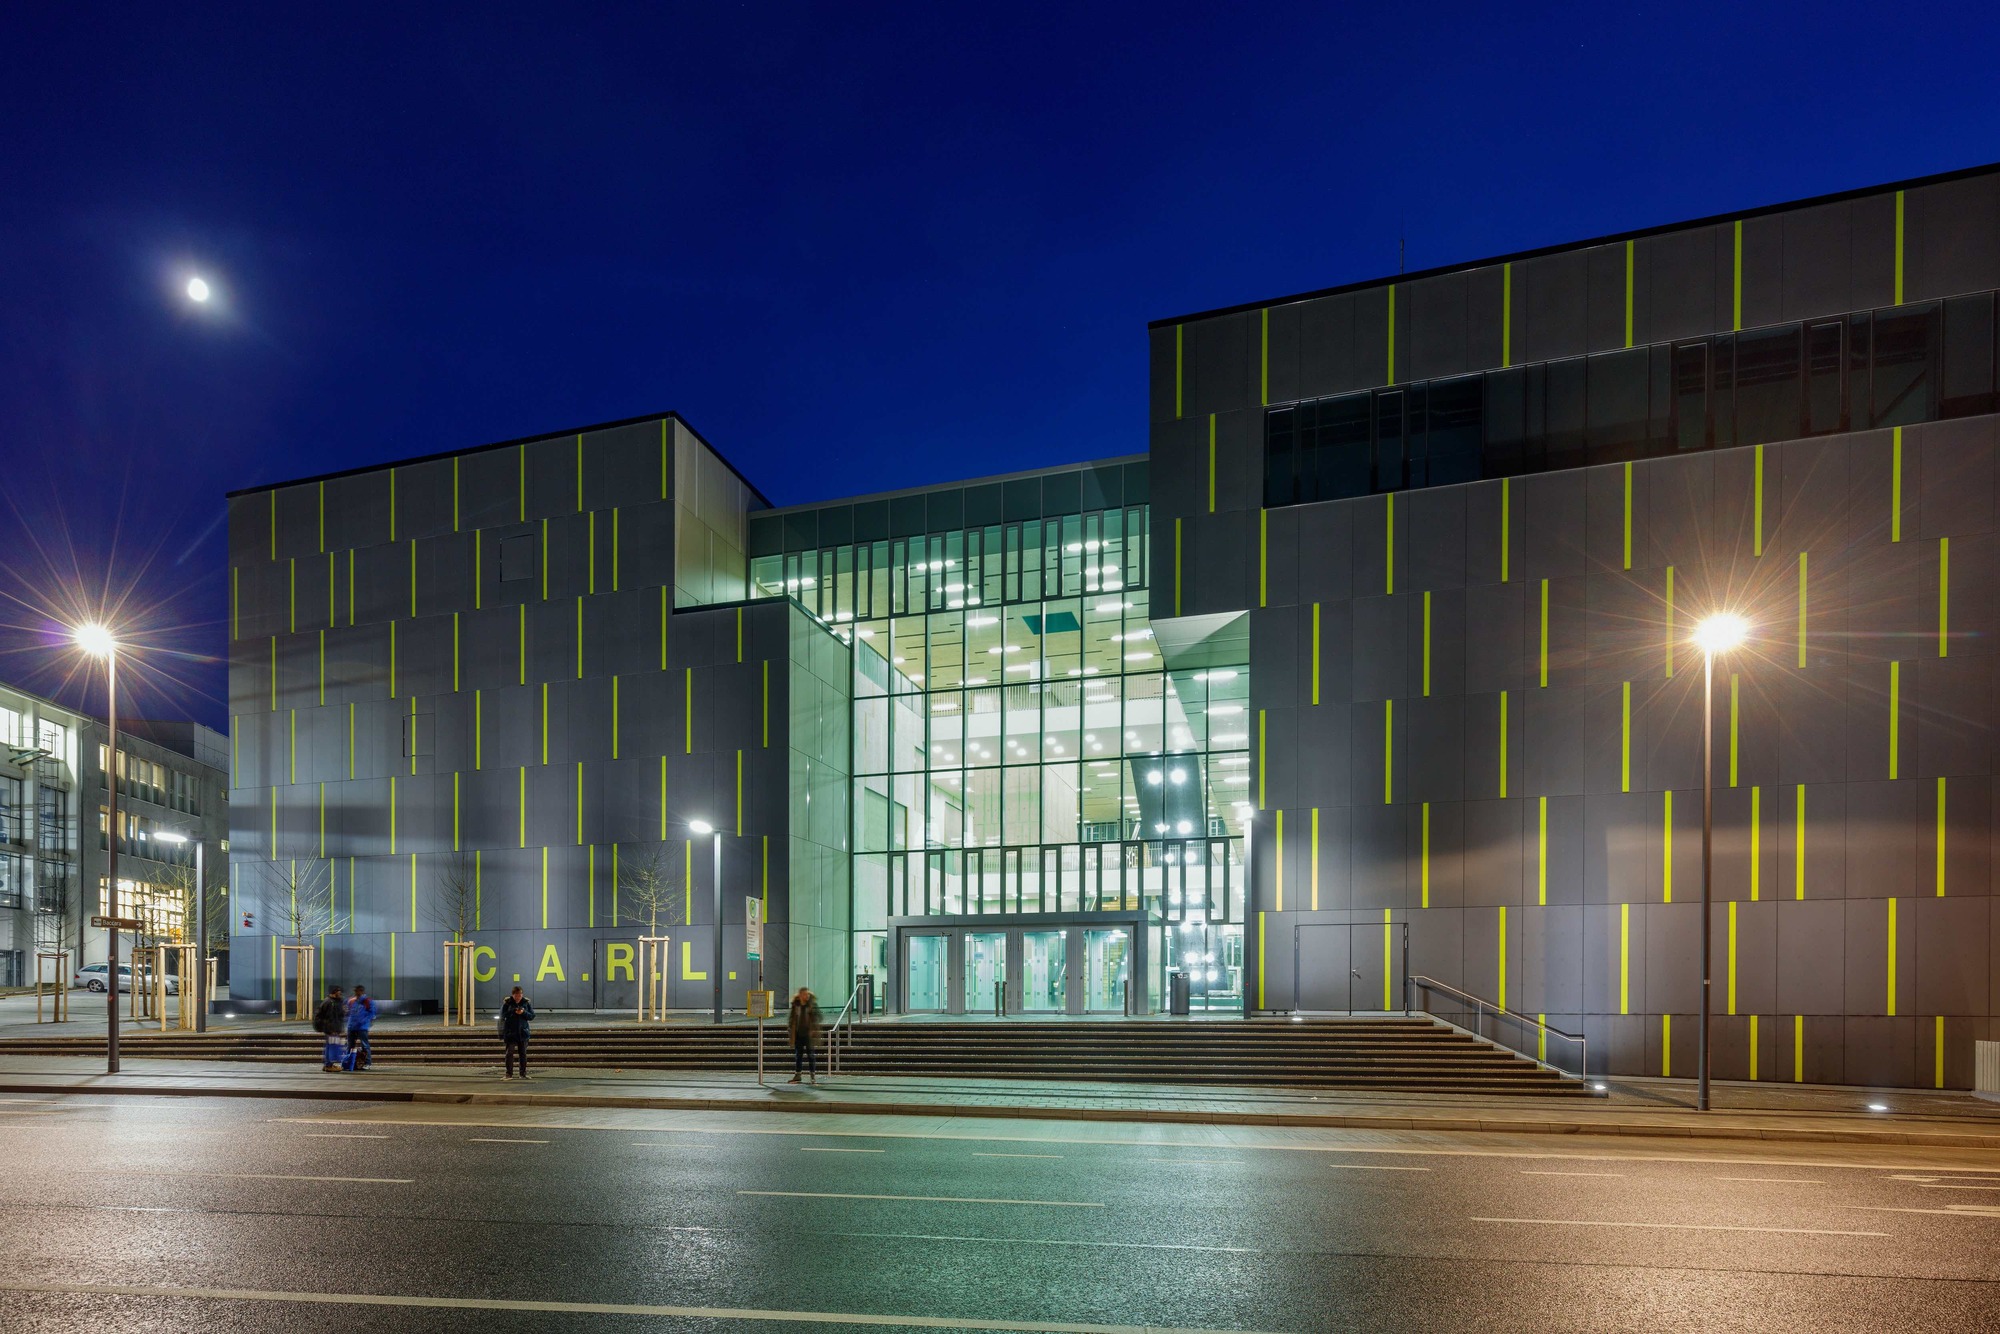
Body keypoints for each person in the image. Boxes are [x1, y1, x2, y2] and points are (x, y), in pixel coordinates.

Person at [786, 987, 822, 1084]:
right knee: (798, 1055)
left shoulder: (812, 1004)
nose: (807, 996)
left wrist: (814, 1027)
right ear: (800, 995)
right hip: (798, 1034)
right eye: (805, 994)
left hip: (808, 1035)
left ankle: (812, 1076)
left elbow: (819, 1017)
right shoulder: (795, 1005)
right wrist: (790, 1028)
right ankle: (798, 1075)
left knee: (811, 1055)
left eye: (808, 994)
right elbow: (791, 1018)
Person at [499, 986, 534, 1079]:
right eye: (516, 995)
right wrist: (513, 1011)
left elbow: (532, 1016)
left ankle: (523, 1074)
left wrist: (523, 1012)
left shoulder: (526, 1003)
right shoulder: (507, 1003)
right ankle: (508, 1074)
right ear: (513, 995)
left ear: (522, 995)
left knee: (523, 1054)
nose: (518, 997)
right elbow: (503, 1015)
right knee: (509, 1054)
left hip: (523, 1032)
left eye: (520, 995)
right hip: (511, 1033)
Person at [313, 986, 347, 1072]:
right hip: (331, 1029)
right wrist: (331, 1029)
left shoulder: (334, 1001)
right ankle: (329, 1065)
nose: (340, 993)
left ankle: (327, 1064)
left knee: (329, 1045)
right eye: (338, 991)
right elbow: (330, 1017)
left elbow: (338, 1015)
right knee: (331, 1046)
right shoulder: (329, 1002)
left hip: (332, 1028)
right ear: (334, 992)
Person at [345, 984, 377, 1071]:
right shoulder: (351, 1001)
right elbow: (348, 1013)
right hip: (352, 1027)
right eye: (355, 991)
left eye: (357, 991)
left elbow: (372, 1013)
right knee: (350, 1045)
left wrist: (363, 1021)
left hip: (362, 1027)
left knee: (365, 1045)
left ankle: (367, 1063)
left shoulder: (367, 1001)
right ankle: (348, 1062)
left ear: (362, 991)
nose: (356, 993)